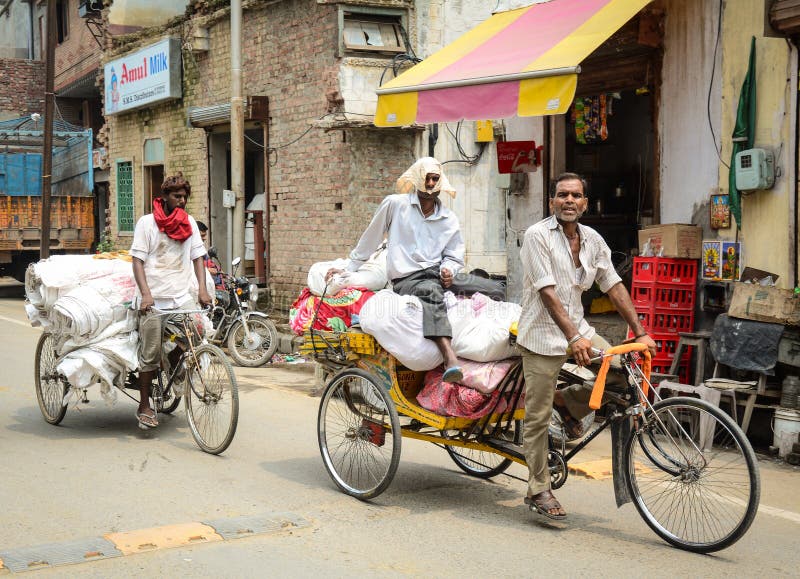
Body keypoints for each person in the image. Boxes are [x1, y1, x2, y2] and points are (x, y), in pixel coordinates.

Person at [517, 172, 656, 520]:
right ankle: (538, 489)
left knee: (624, 376)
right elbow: (547, 293)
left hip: (578, 329)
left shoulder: (593, 239)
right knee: (535, 417)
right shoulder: (537, 236)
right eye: (562, 195)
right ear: (551, 202)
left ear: (585, 203)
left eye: (575, 196)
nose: (568, 201)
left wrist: (639, 332)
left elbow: (613, 285)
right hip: (542, 337)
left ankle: (566, 403)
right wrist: (573, 338)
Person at [327, 157, 467, 383]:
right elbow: (370, 240)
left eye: (435, 179)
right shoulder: (395, 204)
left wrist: (449, 269)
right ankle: (449, 357)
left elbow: (453, 256)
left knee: (487, 285)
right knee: (432, 292)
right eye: (426, 178)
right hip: (408, 279)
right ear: (416, 180)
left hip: (437, 274)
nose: (431, 184)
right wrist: (347, 268)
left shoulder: (449, 219)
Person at [130, 173, 212, 429]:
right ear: (164, 196)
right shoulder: (147, 223)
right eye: (177, 196)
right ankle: (144, 405)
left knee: (198, 330)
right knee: (150, 354)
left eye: (185, 197)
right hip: (153, 299)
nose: (182, 201)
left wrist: (201, 290)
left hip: (179, 297)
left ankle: (175, 360)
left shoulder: (187, 223)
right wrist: (145, 294)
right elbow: (137, 261)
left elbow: (198, 257)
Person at [195, 220, 223, 288]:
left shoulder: (201, 248)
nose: (204, 238)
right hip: (198, 286)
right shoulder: (189, 249)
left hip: (210, 284)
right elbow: (189, 268)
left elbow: (208, 262)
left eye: (205, 235)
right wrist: (208, 270)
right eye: (202, 235)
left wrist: (219, 270)